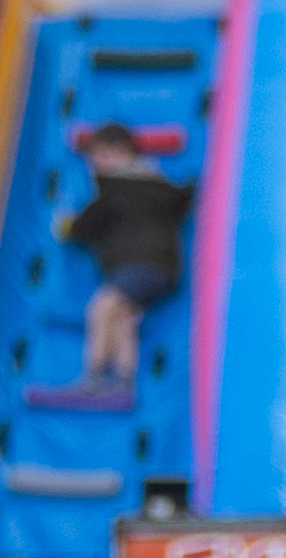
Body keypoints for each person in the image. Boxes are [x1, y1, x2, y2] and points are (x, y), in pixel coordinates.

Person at [53, 125, 196, 404]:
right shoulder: (159, 184)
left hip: (138, 264)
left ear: (119, 153)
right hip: (164, 267)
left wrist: (67, 227)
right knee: (124, 315)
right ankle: (123, 380)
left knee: (102, 306)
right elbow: (181, 200)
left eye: (99, 159)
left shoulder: (115, 188)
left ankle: (94, 376)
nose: (95, 169)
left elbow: (87, 224)